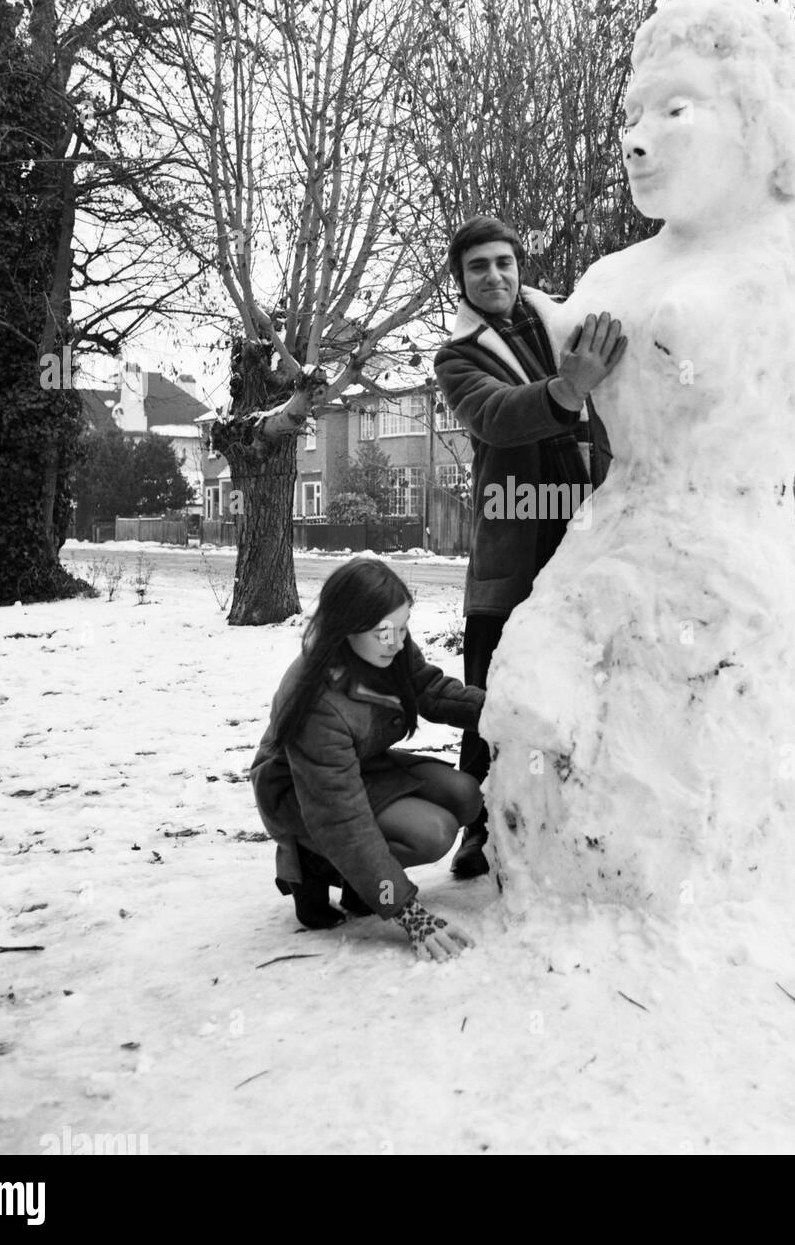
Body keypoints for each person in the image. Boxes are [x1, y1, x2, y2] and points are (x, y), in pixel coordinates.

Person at [434, 215, 626, 877]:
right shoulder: (456, 357)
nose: (493, 275)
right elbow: (494, 415)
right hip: (514, 541)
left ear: (520, 268)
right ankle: (478, 829)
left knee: (589, 684)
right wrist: (569, 389)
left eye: (503, 262)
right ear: (459, 282)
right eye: (477, 267)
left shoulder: (563, 325)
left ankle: (579, 818)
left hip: (588, 535)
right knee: (489, 696)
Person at [249, 557, 482, 962]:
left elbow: (432, 692)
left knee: (465, 795)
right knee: (433, 832)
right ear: (347, 627)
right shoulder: (315, 701)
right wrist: (410, 915)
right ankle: (314, 864)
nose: (396, 640)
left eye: (404, 625)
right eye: (383, 632)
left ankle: (363, 882)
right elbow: (343, 820)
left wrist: (506, 709)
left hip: (362, 765)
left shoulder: (390, 646)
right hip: (302, 794)